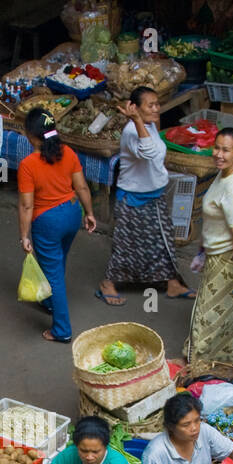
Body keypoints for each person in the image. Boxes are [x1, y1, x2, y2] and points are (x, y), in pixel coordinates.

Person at [97, 86, 192, 306]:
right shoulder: (132, 131)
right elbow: (148, 153)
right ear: (136, 109)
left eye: (157, 104)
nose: (157, 108)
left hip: (155, 196)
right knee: (126, 244)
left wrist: (144, 120)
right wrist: (137, 120)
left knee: (163, 240)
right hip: (133, 199)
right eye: (150, 105)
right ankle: (108, 283)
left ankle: (172, 283)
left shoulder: (149, 126)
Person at [17, 109, 97, 343]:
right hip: (73, 214)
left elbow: (26, 206)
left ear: (30, 135)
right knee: (58, 259)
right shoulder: (68, 153)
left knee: (53, 274)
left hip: (48, 222)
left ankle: (62, 330)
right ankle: (50, 301)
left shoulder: (28, 165)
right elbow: (82, 188)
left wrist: (24, 236)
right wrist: (89, 213)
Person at [186, 126, 233, 365]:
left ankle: (198, 360)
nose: (218, 154)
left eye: (226, 150)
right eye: (216, 148)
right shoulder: (229, 171)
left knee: (208, 310)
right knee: (227, 305)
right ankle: (216, 354)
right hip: (223, 249)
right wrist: (203, 247)